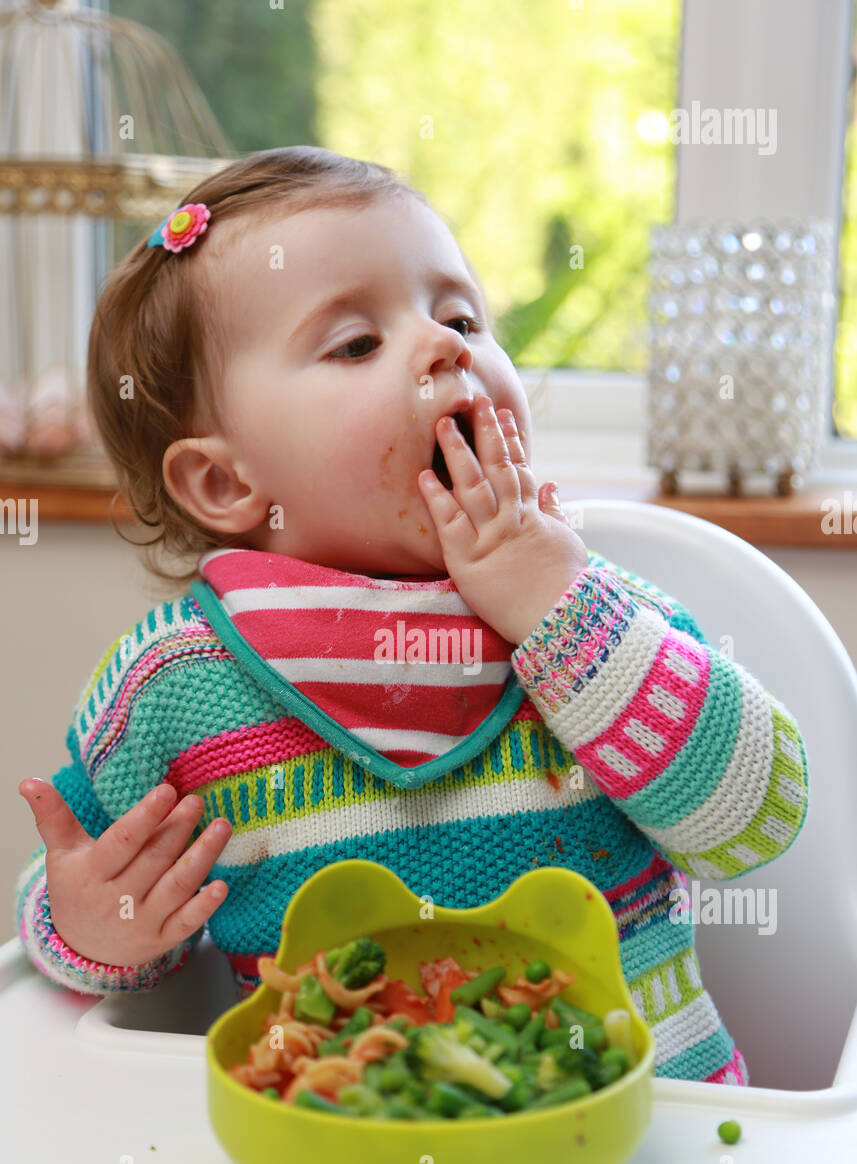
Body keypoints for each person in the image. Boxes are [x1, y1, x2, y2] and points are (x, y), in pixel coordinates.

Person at [15, 146, 810, 1084]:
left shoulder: (596, 620)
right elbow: (88, 908)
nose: (447, 347)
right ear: (226, 481)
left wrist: (555, 609)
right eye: (356, 343)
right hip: (340, 1155)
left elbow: (756, 818)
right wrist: (89, 930)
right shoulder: (174, 688)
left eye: (461, 316)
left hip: (646, 1153)